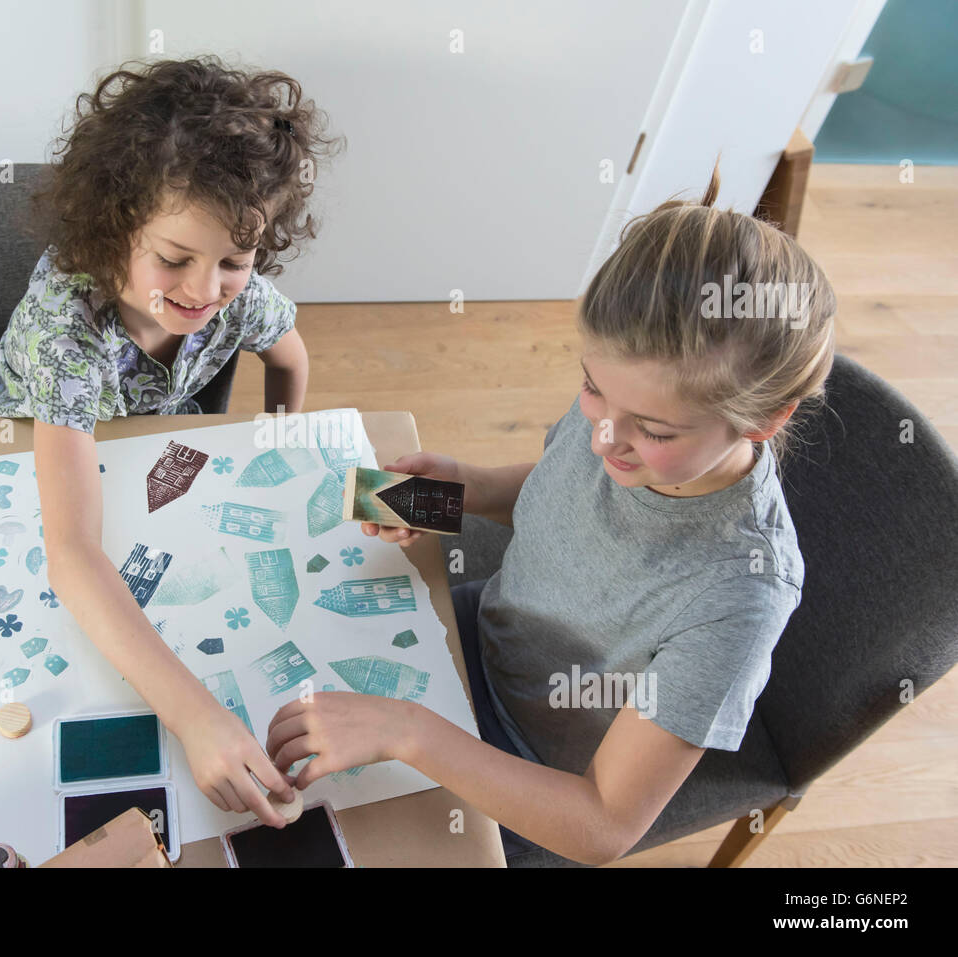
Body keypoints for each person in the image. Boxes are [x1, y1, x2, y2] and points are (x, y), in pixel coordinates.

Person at [266, 164, 837, 864]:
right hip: (476, 637)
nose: (605, 437)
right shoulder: (626, 401)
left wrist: (407, 732)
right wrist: (464, 487)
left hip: (529, 771)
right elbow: (563, 483)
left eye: (654, 432)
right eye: (591, 389)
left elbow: (602, 826)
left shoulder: (738, 596)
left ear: (764, 420)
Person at [0, 56, 340, 826]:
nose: (203, 290)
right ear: (112, 230)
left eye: (235, 262)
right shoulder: (67, 331)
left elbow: (289, 352)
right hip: (21, 463)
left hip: (137, 464)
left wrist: (276, 446)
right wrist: (193, 714)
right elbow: (73, 552)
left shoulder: (225, 290)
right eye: (174, 260)